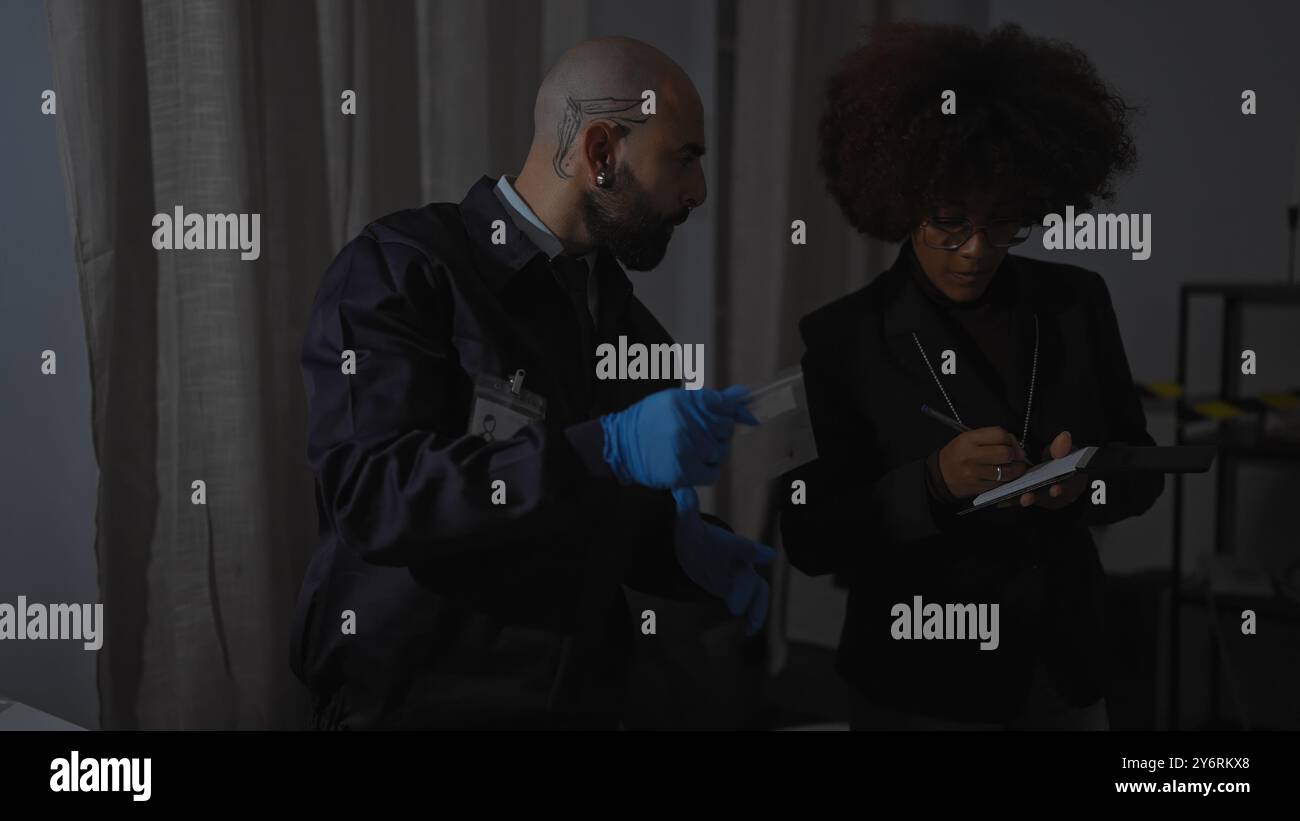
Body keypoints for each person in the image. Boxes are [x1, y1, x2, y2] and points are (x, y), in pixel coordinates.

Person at [290, 36, 773, 730]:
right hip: (411, 705)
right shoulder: (405, 269)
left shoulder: (637, 337)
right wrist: (606, 447)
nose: (696, 191)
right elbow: (374, 495)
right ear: (601, 153)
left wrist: (675, 549)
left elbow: (584, 520)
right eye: (684, 158)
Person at [781, 22, 1164, 730]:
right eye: (950, 223)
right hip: (918, 688)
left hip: (1064, 678)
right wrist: (931, 484)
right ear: (901, 200)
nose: (977, 249)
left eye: (1004, 222)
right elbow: (808, 532)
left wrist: (1086, 482)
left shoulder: (1077, 304)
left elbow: (1139, 470)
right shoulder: (839, 340)